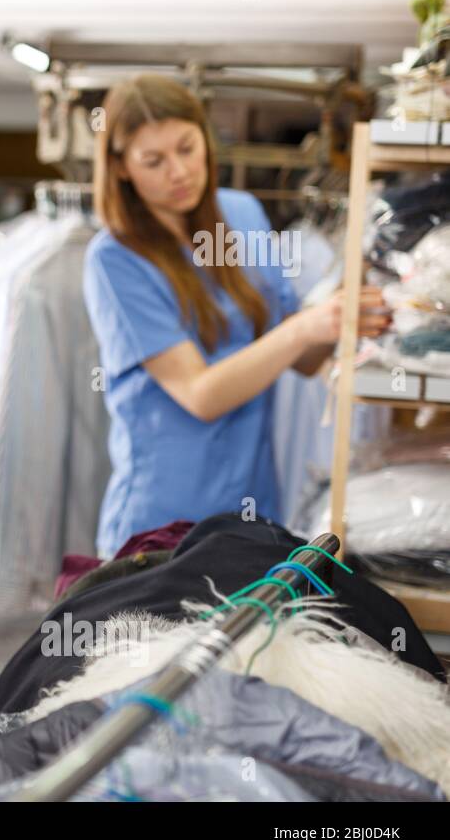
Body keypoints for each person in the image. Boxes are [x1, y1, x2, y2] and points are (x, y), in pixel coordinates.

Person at [83, 74, 389, 556]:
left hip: (249, 508)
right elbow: (201, 394)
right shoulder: (114, 259)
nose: (179, 171)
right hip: (160, 525)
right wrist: (306, 326)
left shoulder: (242, 215)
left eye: (187, 148)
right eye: (154, 161)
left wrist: (352, 295)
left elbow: (303, 360)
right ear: (120, 168)